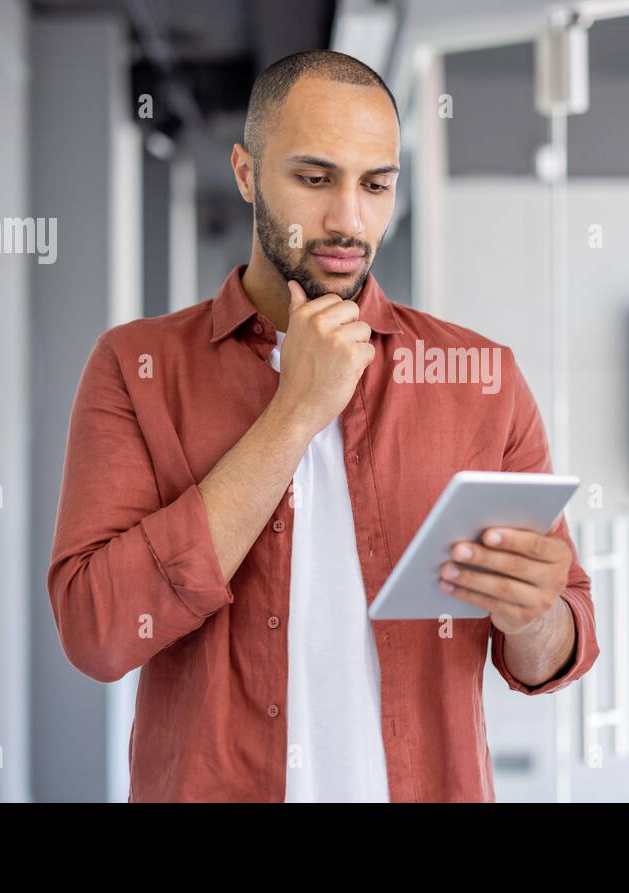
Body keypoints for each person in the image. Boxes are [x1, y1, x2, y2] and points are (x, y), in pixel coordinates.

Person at [47, 49, 599, 802]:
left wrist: (534, 614)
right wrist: (294, 414)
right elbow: (99, 633)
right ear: (247, 174)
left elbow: (557, 649)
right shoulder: (134, 366)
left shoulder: (482, 378)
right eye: (314, 178)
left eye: (376, 185)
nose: (348, 219)